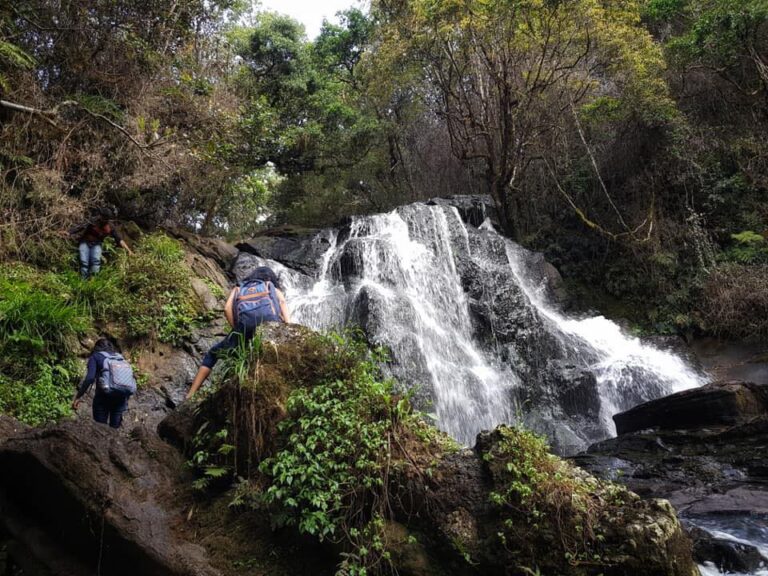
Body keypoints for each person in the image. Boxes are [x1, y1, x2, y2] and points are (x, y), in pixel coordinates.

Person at [186, 266, 291, 400]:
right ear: (270, 278)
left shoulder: (238, 288)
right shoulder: (270, 285)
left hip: (244, 328)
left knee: (212, 354)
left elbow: (226, 309)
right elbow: (281, 302)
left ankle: (191, 394)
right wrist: (288, 327)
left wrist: (237, 330)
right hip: (271, 325)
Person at [72, 338, 137, 429]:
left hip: (103, 398)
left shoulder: (96, 357)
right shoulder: (120, 357)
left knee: (100, 430)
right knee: (114, 431)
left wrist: (78, 396)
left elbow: (90, 378)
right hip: (121, 398)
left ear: (96, 347)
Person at [70, 206, 133, 279]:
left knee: (96, 261)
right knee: (84, 261)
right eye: (102, 216)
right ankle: (83, 280)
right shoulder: (93, 221)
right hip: (85, 242)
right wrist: (69, 232)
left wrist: (129, 251)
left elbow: (119, 239)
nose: (102, 219)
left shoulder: (110, 227)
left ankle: (92, 281)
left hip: (97, 244)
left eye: (105, 218)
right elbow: (80, 226)